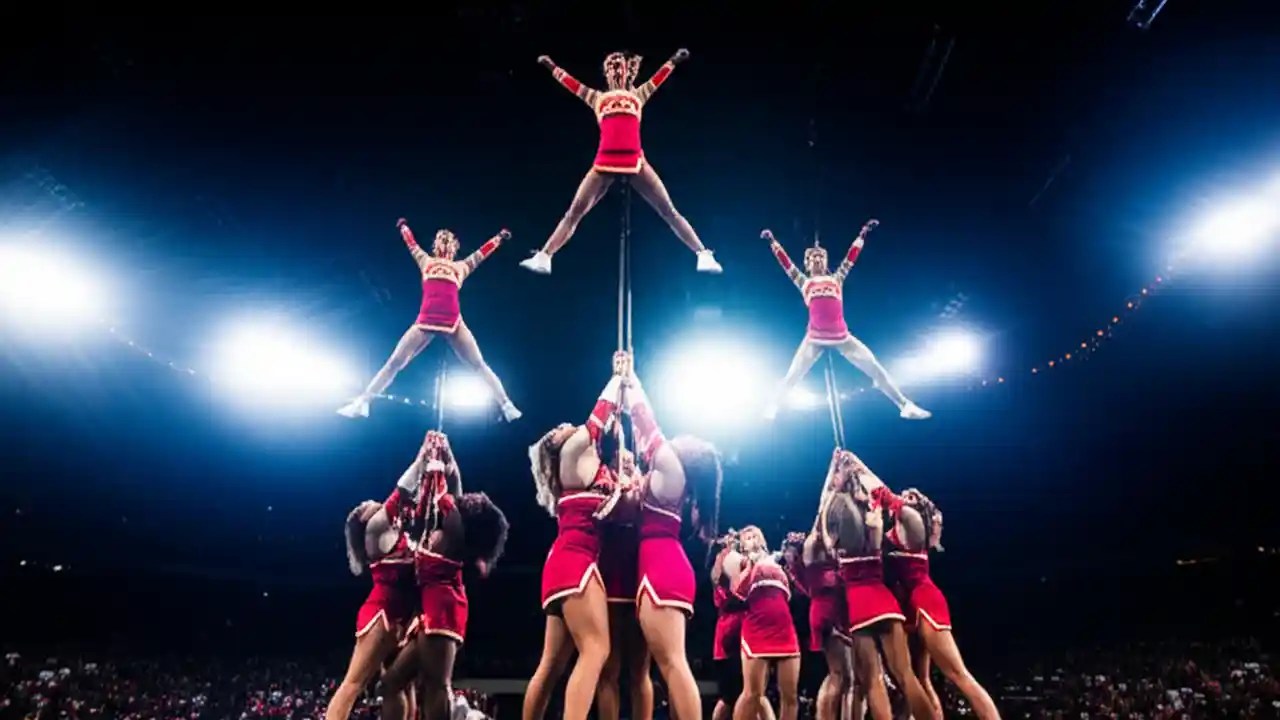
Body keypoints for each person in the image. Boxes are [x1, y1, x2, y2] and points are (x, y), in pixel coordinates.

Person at [521, 51, 722, 276]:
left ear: (628, 72)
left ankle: (703, 254)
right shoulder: (597, 98)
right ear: (607, 74)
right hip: (604, 161)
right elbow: (572, 85)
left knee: (668, 210)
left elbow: (657, 79)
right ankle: (545, 255)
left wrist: (673, 61)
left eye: (620, 67)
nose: (616, 72)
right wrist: (551, 66)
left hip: (635, 160)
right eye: (611, 68)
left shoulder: (638, 95)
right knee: (574, 211)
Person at [602, 351, 722, 720]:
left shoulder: (672, 471)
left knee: (672, 664)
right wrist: (630, 382)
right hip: (660, 566)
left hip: (662, 568)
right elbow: (641, 432)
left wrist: (630, 380)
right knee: (668, 665)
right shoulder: (669, 476)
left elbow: (645, 424)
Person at [523, 356, 634, 720]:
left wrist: (624, 392)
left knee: (552, 664)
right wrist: (617, 377)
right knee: (596, 649)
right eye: (557, 430)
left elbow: (609, 429)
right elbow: (597, 418)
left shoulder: (588, 467)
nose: (563, 426)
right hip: (576, 563)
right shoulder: (571, 456)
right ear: (557, 448)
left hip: (567, 564)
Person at [855, 460, 1001, 720]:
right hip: (907, 606)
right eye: (905, 495)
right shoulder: (891, 533)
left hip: (926, 601)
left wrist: (857, 466)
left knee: (957, 674)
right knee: (920, 680)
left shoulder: (914, 525)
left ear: (921, 509)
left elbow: (883, 493)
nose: (905, 497)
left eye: (911, 497)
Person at [338, 218, 521, 422]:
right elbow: (411, 243)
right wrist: (404, 227)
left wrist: (499, 238)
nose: (445, 243)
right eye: (441, 240)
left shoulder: (461, 267)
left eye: (449, 241)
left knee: (478, 364)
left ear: (454, 247)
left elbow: (482, 253)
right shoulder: (426, 261)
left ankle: (506, 404)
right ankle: (363, 401)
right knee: (394, 362)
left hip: (454, 322)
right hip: (425, 320)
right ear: (435, 245)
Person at [381, 433, 509, 720]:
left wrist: (432, 461)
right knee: (391, 683)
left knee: (436, 685)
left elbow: (447, 494)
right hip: (432, 609)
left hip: (442, 608)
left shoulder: (454, 534)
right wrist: (447, 457)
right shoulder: (451, 533)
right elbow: (455, 493)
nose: (463, 504)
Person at [761, 224, 930, 421]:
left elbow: (851, 258)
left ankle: (904, 405)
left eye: (821, 257)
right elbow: (786, 264)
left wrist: (862, 235)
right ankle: (773, 405)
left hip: (842, 336)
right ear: (807, 263)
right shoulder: (804, 282)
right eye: (812, 257)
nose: (817, 259)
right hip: (814, 338)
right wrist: (773, 242)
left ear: (825, 262)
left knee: (875, 368)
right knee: (792, 376)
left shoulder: (836, 280)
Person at [821, 449, 935, 720]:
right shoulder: (874, 514)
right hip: (884, 601)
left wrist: (834, 468)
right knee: (906, 676)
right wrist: (858, 464)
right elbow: (880, 489)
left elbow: (824, 505)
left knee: (873, 680)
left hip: (858, 605)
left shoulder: (837, 512)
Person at [324, 497, 418, 720]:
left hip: (404, 616)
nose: (368, 502)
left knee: (400, 685)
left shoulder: (398, 534)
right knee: (353, 684)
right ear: (363, 523)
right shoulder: (374, 537)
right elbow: (398, 497)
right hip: (381, 613)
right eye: (364, 507)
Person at [722, 527, 800, 720]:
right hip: (757, 629)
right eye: (747, 538)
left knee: (790, 696)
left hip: (784, 628)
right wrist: (750, 565)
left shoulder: (776, 560)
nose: (753, 539)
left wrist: (794, 557)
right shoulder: (738, 561)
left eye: (755, 535)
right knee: (752, 695)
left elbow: (793, 590)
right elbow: (737, 592)